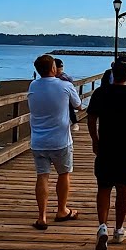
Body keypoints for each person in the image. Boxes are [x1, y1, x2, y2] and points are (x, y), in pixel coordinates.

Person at [86, 57, 126, 250]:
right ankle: (119, 229)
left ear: (113, 73)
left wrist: (95, 140)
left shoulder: (100, 92)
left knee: (103, 188)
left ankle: (102, 226)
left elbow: (91, 119)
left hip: (105, 147)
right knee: (122, 188)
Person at [26, 54, 82, 230]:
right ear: (53, 68)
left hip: (38, 141)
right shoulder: (65, 85)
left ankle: (42, 216)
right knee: (63, 174)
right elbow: (78, 105)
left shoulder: (33, 85)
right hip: (60, 140)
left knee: (42, 176)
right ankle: (62, 210)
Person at [55, 58, 79, 130]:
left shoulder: (64, 77)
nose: (61, 69)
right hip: (58, 94)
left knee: (70, 106)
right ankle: (73, 123)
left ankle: (74, 123)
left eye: (61, 67)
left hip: (64, 95)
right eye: (60, 67)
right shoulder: (63, 77)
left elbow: (70, 81)